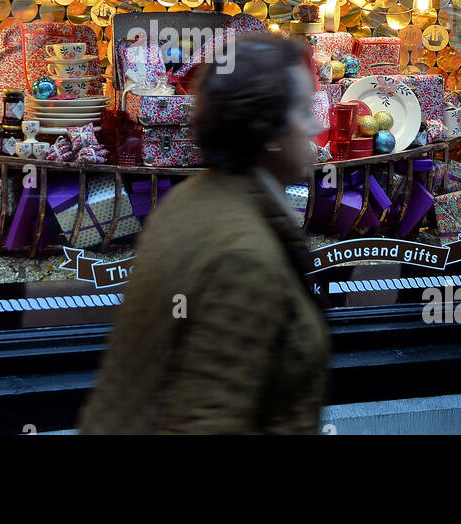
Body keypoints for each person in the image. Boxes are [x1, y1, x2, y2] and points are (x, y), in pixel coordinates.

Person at [79, 34, 330, 434]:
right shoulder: (243, 259)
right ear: (268, 132)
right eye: (303, 110)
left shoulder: (192, 200)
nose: (320, 123)